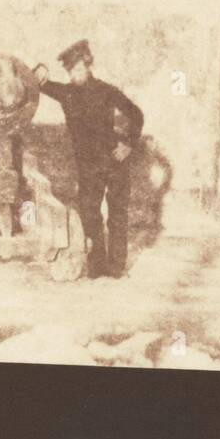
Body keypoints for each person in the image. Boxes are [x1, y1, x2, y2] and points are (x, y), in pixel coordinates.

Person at [34, 39, 143, 279]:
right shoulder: (66, 93)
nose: (76, 74)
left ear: (88, 66)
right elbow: (38, 83)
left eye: (80, 69)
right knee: (90, 214)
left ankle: (116, 269)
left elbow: (136, 114)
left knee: (117, 216)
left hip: (115, 162)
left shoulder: (106, 90)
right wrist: (37, 73)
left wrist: (129, 144)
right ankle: (97, 268)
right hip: (89, 167)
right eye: (72, 71)